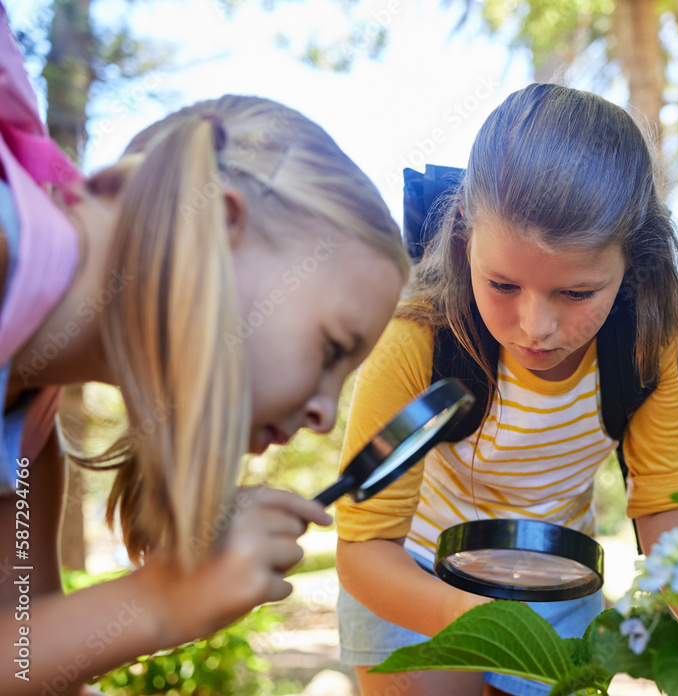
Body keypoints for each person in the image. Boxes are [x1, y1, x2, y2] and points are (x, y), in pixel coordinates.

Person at [0, 6, 409, 693]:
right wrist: (157, 601)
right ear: (218, 230)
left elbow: (20, 665)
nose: (325, 417)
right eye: (334, 348)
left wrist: (164, 600)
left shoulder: (29, 428)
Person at [335, 83, 678, 696]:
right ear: (464, 235)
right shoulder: (417, 341)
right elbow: (364, 548)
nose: (535, 328)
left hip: (556, 579)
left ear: (633, 261)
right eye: (502, 285)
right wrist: (488, 628)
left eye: (576, 293)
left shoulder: (659, 335)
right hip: (408, 577)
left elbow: (666, 504)